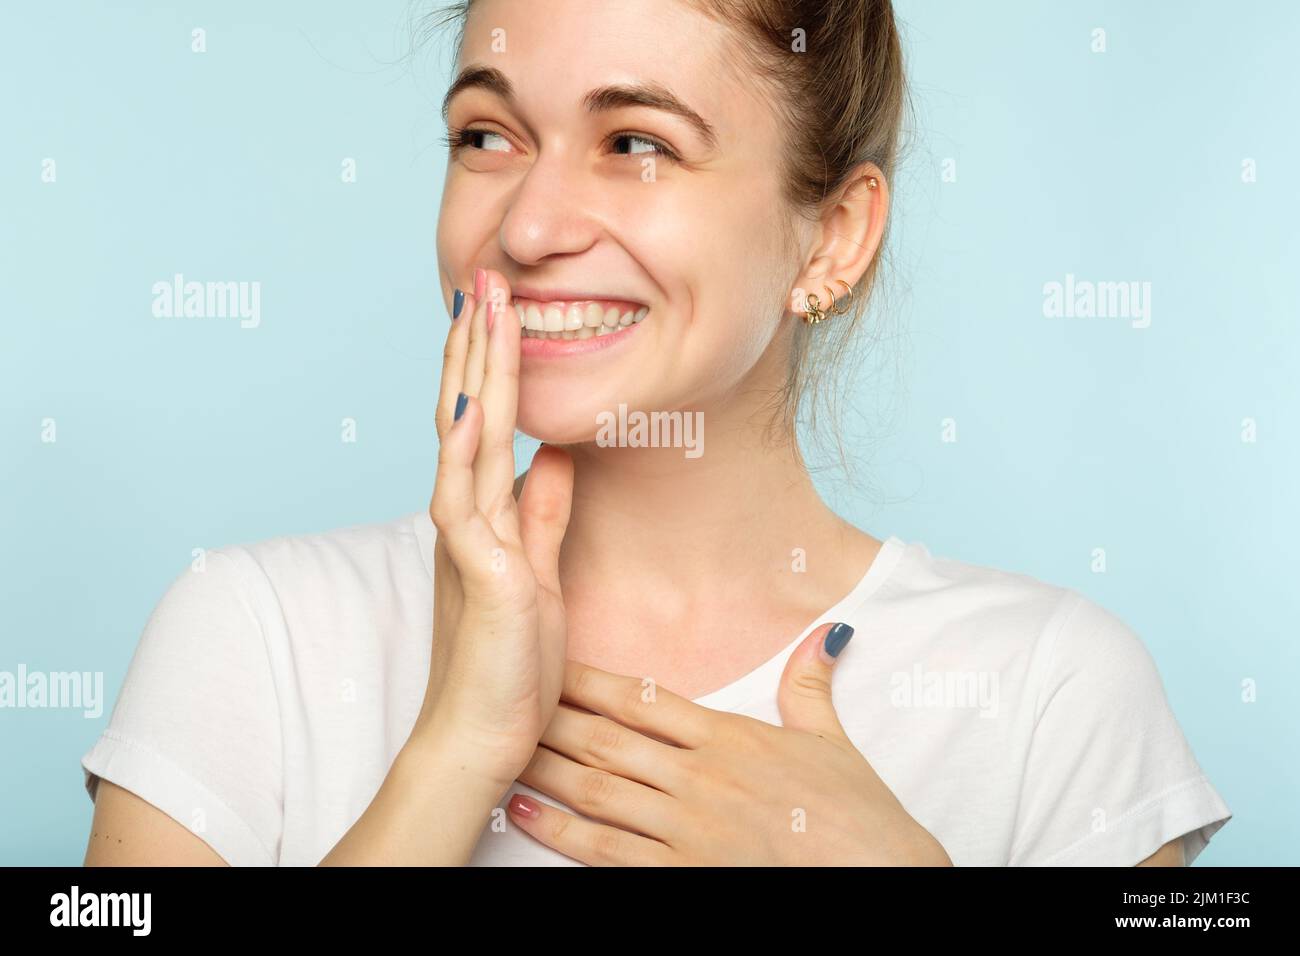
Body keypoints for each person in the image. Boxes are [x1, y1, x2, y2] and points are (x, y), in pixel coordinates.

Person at [80, 0, 1231, 866]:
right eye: (486, 136)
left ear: (832, 236)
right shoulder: (250, 633)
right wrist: (450, 760)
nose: (525, 226)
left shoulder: (1053, 692)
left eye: (636, 143)